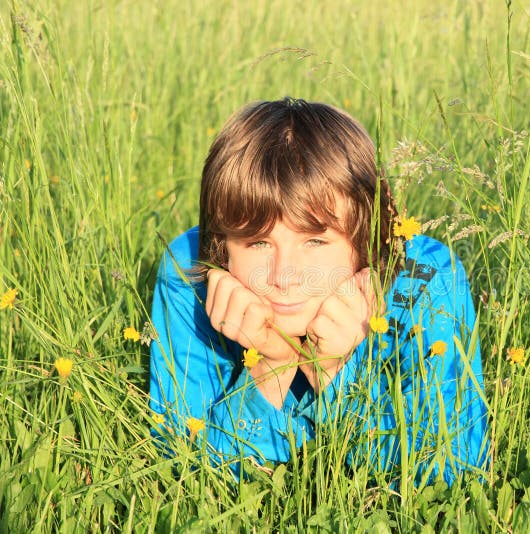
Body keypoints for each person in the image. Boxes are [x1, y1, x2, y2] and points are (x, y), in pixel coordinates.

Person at [148, 97, 488, 485]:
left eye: (315, 242)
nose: (284, 276)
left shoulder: (426, 280)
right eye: (258, 243)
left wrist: (329, 372)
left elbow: (452, 472)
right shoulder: (188, 270)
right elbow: (181, 469)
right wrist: (269, 368)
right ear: (221, 245)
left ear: (364, 240)